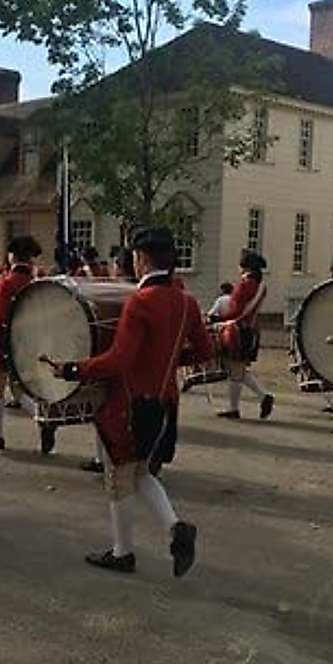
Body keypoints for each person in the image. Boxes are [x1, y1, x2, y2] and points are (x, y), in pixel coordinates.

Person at [47, 225, 211, 576]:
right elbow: (204, 350)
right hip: (165, 403)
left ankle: (123, 553)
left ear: (142, 258)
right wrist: (163, 359)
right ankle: (176, 529)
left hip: (131, 404)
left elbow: (118, 361)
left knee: (119, 477)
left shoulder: (140, 301)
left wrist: (73, 369)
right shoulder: (187, 301)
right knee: (140, 473)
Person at [0, 235, 46, 452]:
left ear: (13, 256)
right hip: (29, 340)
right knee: (19, 390)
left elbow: (1, 317)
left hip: (6, 340)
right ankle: (44, 419)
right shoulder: (35, 282)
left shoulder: (7, 283)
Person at [213, 249, 274, 421]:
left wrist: (218, 318)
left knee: (234, 369)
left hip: (238, 331)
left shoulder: (244, 285)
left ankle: (234, 408)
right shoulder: (259, 285)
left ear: (244, 266)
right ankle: (263, 397)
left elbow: (236, 311)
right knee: (239, 369)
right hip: (251, 330)